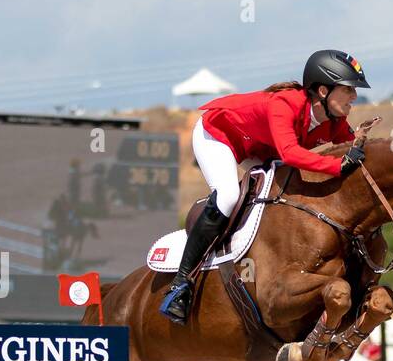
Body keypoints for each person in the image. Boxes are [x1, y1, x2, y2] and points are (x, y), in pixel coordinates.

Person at [159, 49, 372, 324]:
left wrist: (362, 147)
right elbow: (291, 153)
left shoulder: (334, 122)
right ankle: (180, 284)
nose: (354, 97)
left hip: (259, 146)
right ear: (322, 90)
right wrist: (338, 165)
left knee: (285, 191)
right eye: (348, 90)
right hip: (219, 135)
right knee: (228, 196)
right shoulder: (285, 104)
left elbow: (350, 150)